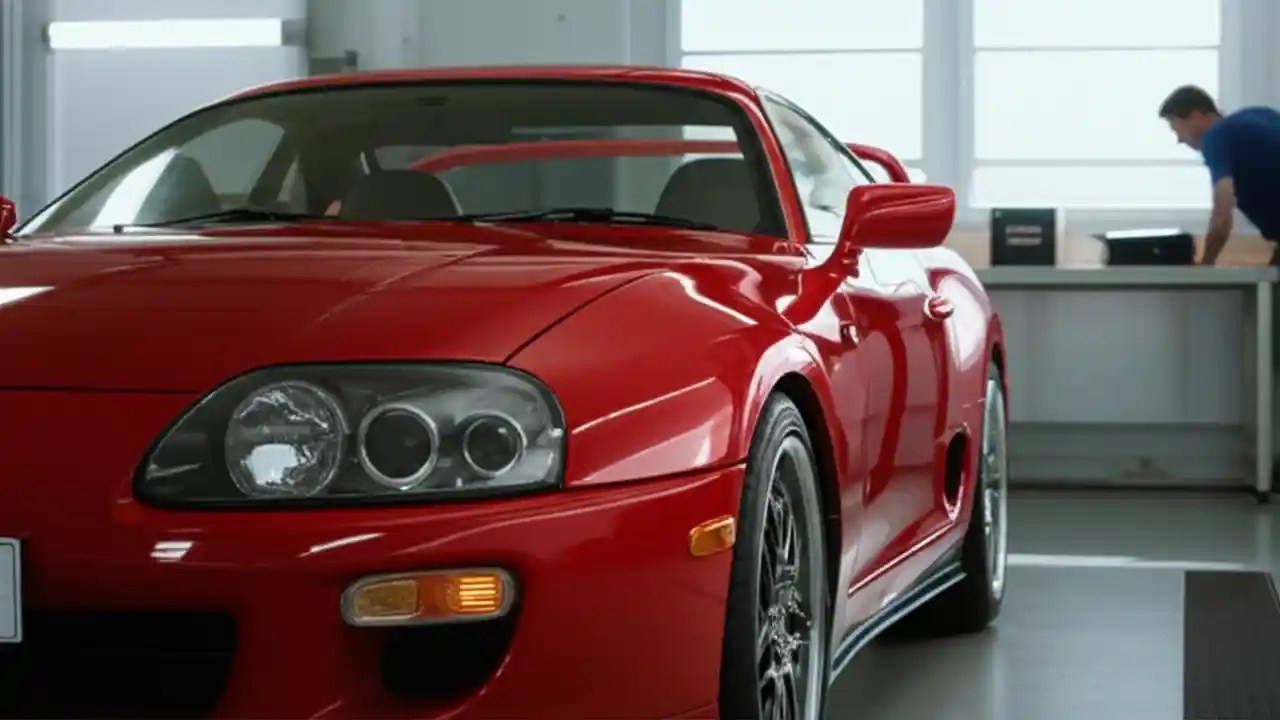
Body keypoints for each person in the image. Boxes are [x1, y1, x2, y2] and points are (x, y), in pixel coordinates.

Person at [1159, 85, 1280, 266]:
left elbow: (1222, 216)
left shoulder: (1215, 137)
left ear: (1195, 117)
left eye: (1178, 130)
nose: (1180, 140)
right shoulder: (1260, 115)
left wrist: (1207, 265)